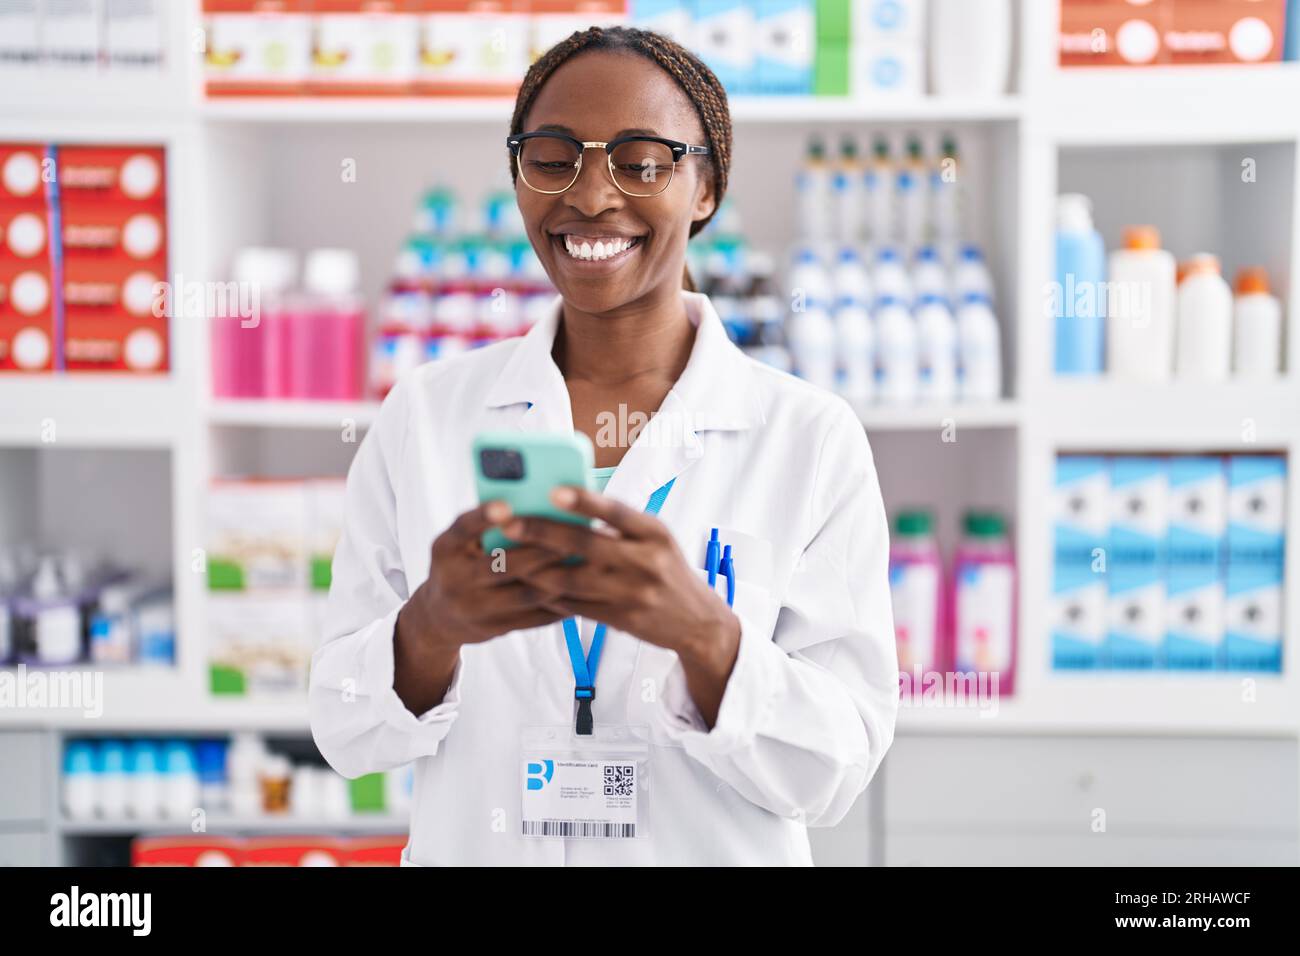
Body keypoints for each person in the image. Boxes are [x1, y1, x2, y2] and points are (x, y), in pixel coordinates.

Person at [310, 25, 898, 866]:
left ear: (704, 189)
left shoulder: (808, 439)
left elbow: (839, 770)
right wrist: (430, 631)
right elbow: (343, 727)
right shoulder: (427, 417)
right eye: (552, 157)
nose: (589, 196)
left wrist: (707, 639)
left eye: (642, 160)